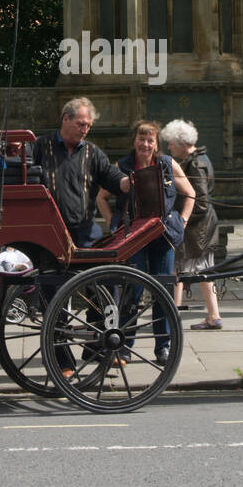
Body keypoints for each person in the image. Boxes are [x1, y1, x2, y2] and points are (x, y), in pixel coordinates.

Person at [98, 120, 195, 363]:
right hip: (133, 237)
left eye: (150, 139)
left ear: (156, 143)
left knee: (163, 290)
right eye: (141, 139)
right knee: (134, 289)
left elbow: (191, 193)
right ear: (134, 141)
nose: (146, 144)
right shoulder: (122, 165)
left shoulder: (167, 164)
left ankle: (163, 345)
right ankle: (125, 345)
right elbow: (102, 197)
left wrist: (182, 220)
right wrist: (112, 222)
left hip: (162, 235)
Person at [33, 97, 130, 248]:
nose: (84, 130)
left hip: (85, 236)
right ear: (65, 118)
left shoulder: (92, 153)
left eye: (88, 126)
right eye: (80, 124)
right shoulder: (40, 146)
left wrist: (125, 182)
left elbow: (109, 173)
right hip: (48, 234)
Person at [161, 119, 221, 329]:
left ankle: (173, 315)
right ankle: (212, 316)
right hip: (201, 227)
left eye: (170, 143)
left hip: (197, 228)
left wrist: (181, 219)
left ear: (181, 142)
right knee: (201, 272)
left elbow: (200, 202)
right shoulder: (198, 159)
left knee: (177, 269)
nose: (168, 147)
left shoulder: (196, 163)